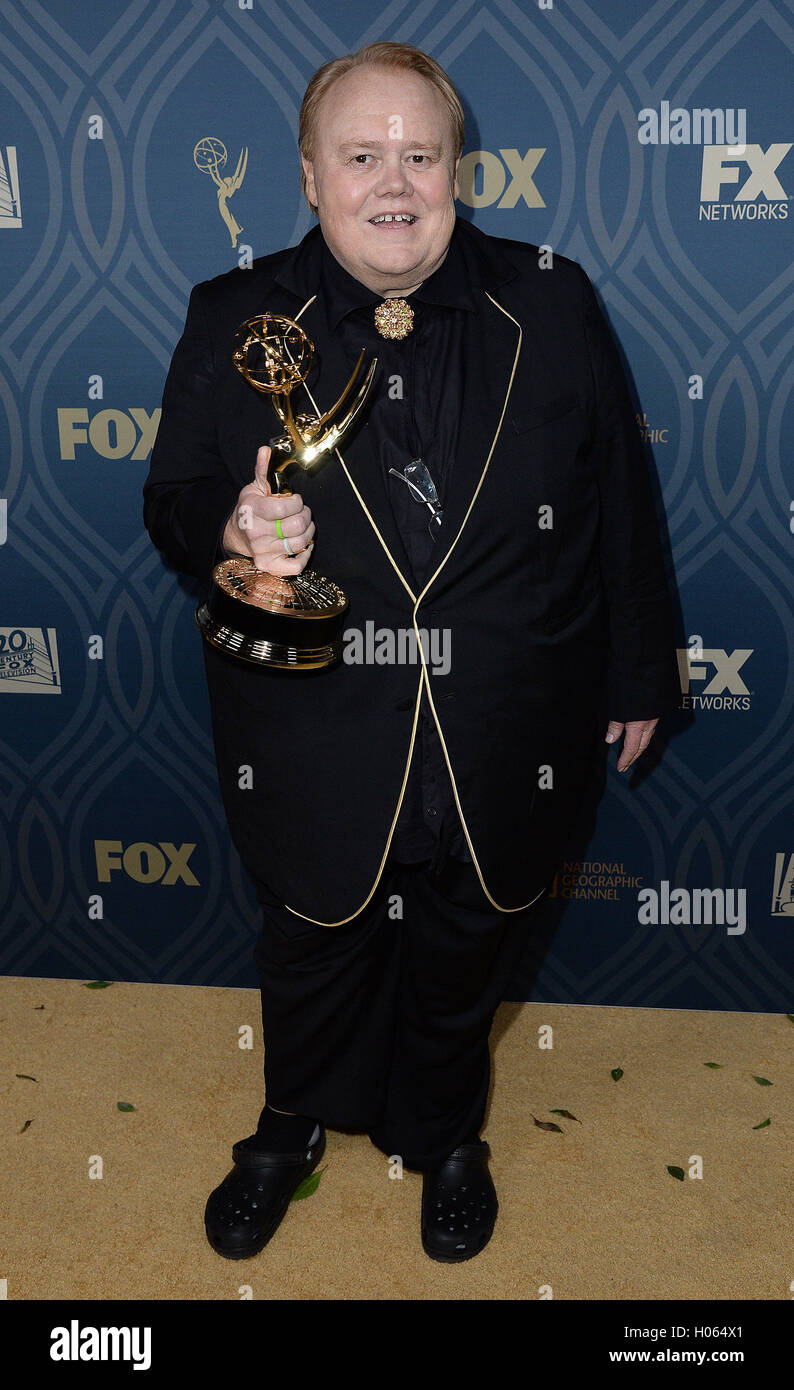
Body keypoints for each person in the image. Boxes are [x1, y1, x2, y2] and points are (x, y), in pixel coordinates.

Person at [143, 41, 681, 1265]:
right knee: (310, 936)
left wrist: (639, 668)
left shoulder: (550, 298)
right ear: (309, 173)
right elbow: (170, 496)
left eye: (419, 153)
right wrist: (228, 524)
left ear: (455, 167)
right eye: (361, 154)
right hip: (314, 718)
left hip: (506, 714)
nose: (394, 181)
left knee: (467, 934)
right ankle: (286, 1127)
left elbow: (619, 501)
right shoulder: (234, 320)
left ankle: (444, 1134)